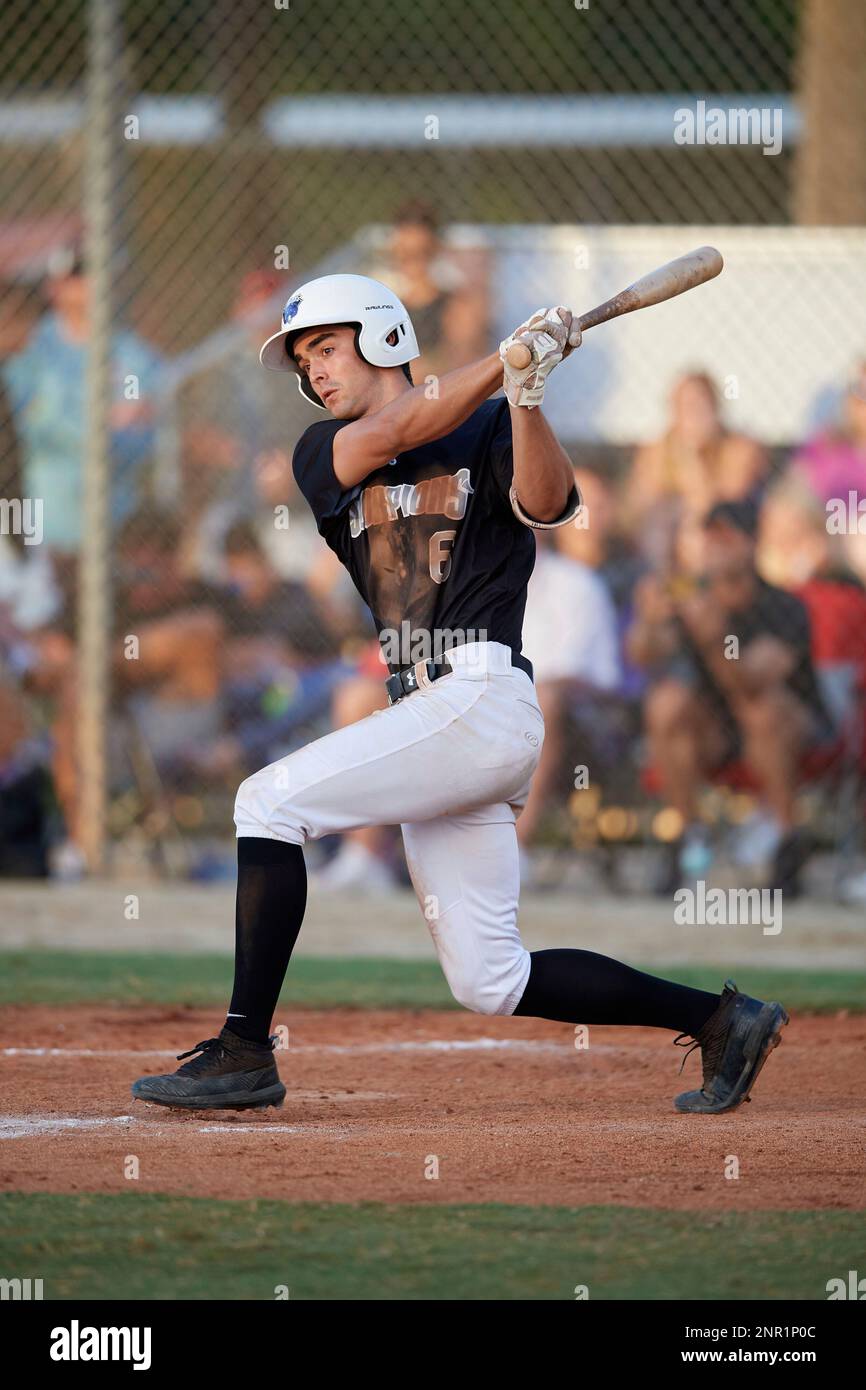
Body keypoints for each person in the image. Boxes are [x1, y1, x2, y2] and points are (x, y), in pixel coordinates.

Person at [131, 274, 788, 1117]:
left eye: (327, 348)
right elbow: (408, 423)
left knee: (266, 803)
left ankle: (245, 1050)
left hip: (481, 699)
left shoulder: (487, 423)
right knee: (491, 979)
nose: (316, 373)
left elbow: (548, 503)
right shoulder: (320, 453)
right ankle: (722, 1020)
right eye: (305, 361)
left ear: (383, 337)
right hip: (430, 719)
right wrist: (501, 357)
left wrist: (526, 392)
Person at [628, 499, 835, 894]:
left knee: (761, 711)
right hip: (718, 735)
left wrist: (715, 638)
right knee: (666, 702)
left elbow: (749, 684)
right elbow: (642, 656)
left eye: (727, 538)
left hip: (790, 735)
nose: (715, 548)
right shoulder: (691, 597)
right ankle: (687, 835)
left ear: (751, 544)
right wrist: (650, 619)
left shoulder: (782, 605)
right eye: (709, 538)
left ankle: (786, 840)